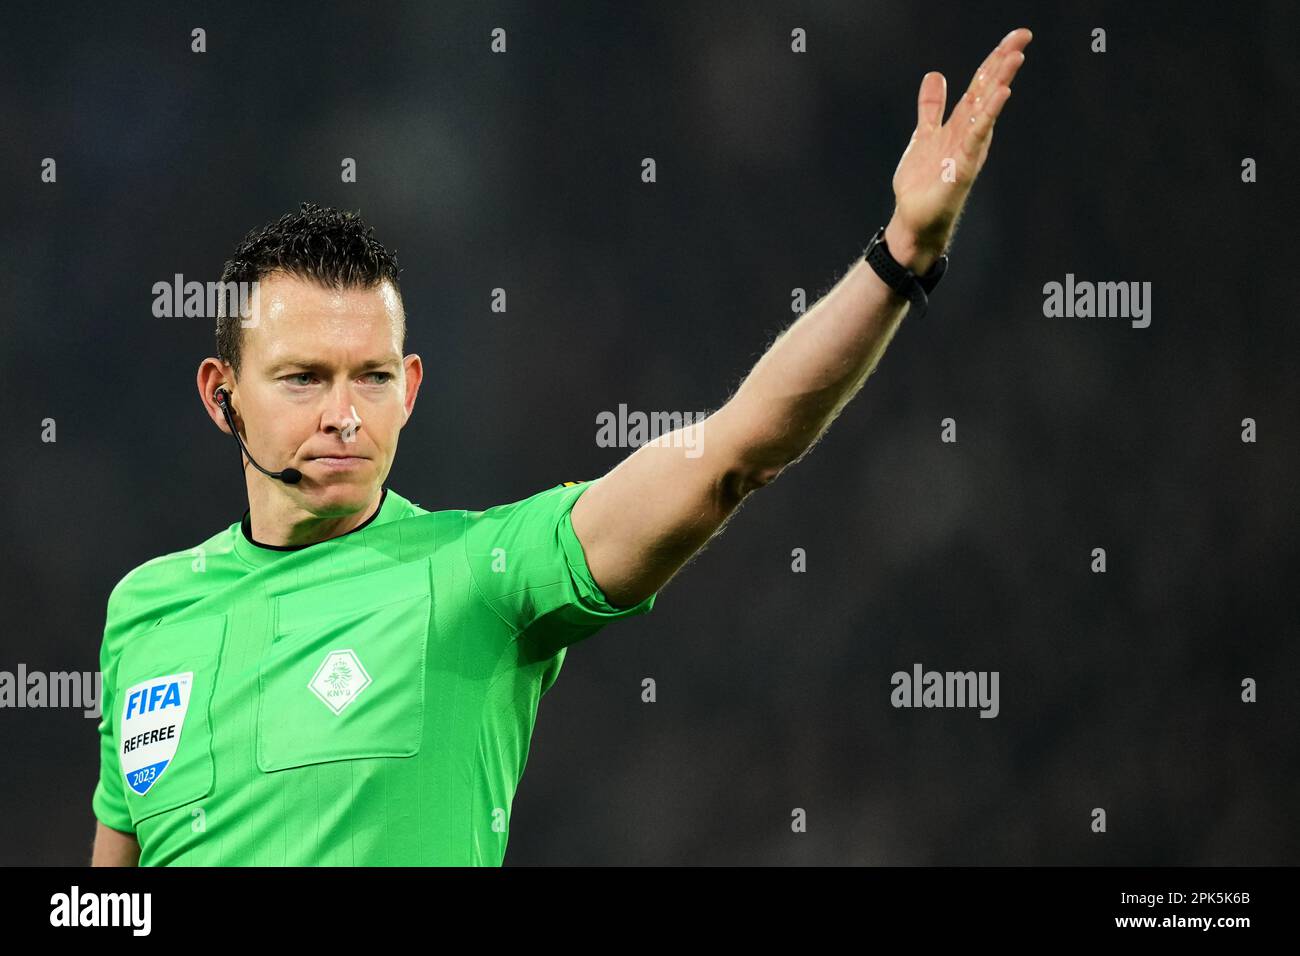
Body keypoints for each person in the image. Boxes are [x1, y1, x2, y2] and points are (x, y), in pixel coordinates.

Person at [91, 27, 1032, 865]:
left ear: (409, 388)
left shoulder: (478, 576)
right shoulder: (147, 610)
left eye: (372, 378)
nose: (345, 414)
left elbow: (736, 450)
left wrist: (900, 257)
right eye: (303, 379)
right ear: (224, 398)